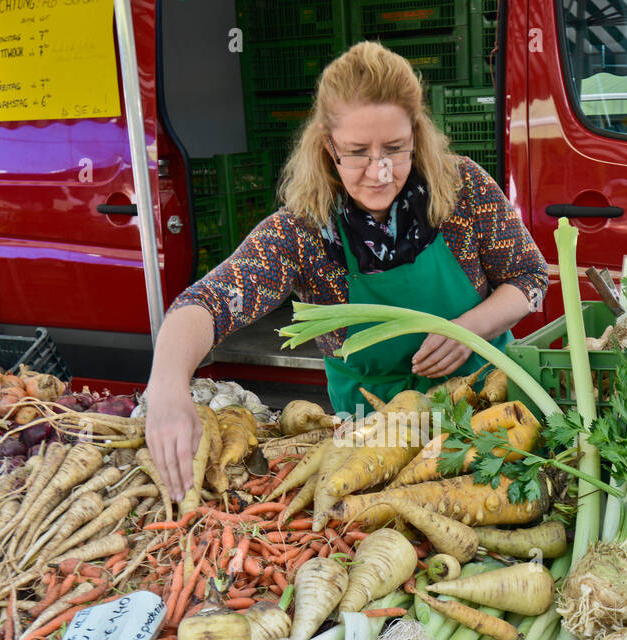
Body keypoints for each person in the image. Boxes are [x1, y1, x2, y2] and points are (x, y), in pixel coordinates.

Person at [145, 41, 549, 500]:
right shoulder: (305, 231)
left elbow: (530, 280)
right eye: (358, 152)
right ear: (328, 146)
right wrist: (167, 388)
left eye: (395, 149)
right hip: (375, 450)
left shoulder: (464, 190)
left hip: (491, 424)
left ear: (417, 135)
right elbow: (208, 303)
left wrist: (468, 330)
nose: (379, 172)